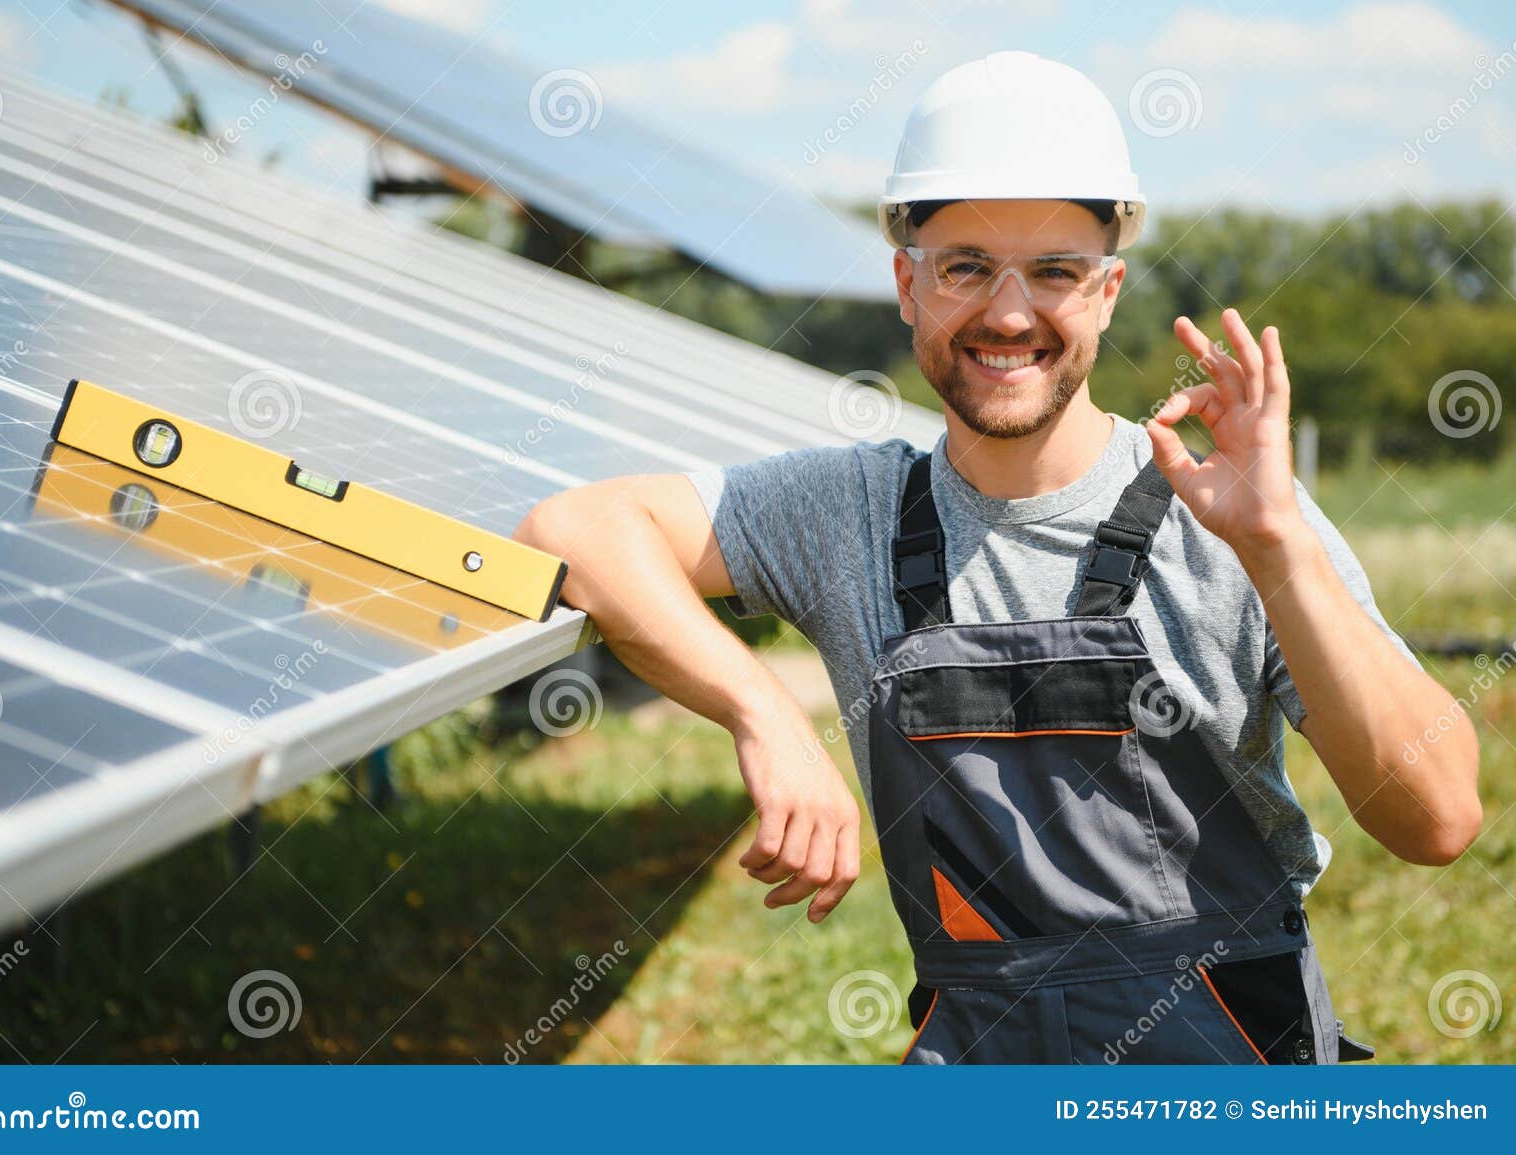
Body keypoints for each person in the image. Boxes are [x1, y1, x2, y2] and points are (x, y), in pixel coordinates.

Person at [514, 51, 1480, 1064]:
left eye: (1055, 272)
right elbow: (571, 531)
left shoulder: (1233, 514)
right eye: (966, 266)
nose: (1009, 314)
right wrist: (764, 717)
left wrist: (1277, 554)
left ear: (1107, 292)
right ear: (907, 285)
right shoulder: (850, 513)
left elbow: (1439, 819)